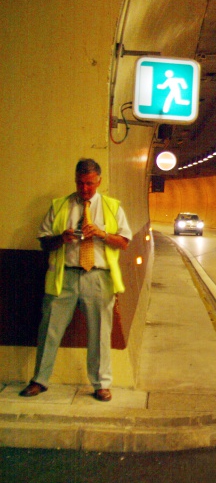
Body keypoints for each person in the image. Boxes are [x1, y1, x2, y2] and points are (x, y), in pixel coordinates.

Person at [20, 158, 132, 402]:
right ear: (75, 180)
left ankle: (101, 384)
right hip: (65, 276)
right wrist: (62, 238)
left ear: (99, 181)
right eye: (80, 183)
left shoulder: (112, 207)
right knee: (49, 329)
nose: (85, 189)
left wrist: (102, 234)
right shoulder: (60, 206)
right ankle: (40, 379)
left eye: (90, 184)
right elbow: (43, 242)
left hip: (98, 277)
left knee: (101, 332)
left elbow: (124, 242)